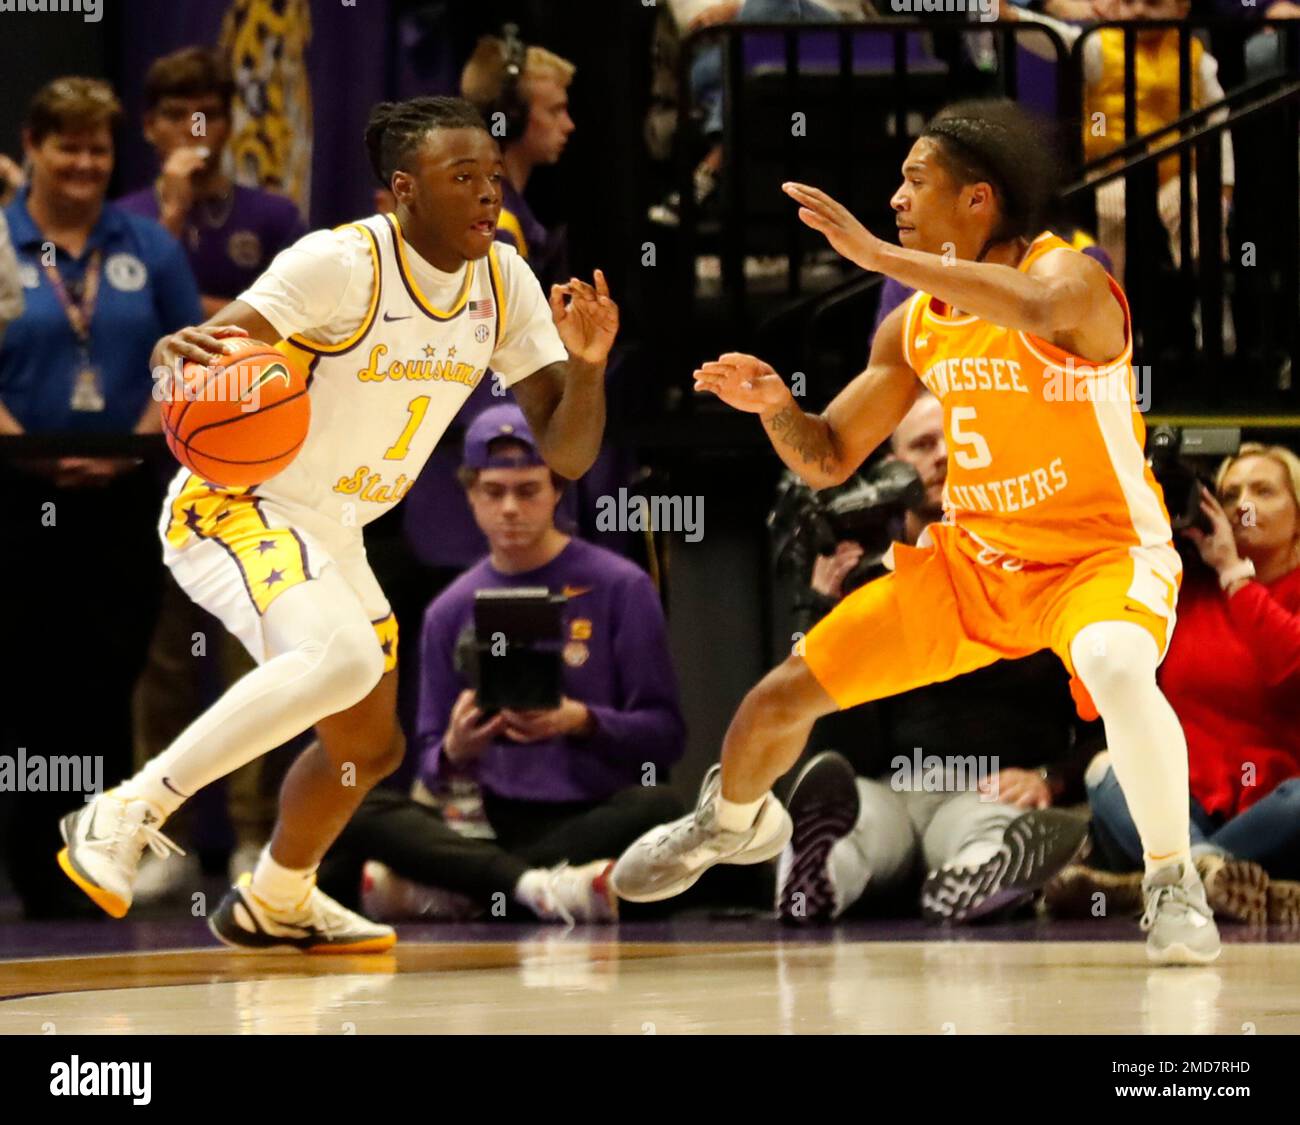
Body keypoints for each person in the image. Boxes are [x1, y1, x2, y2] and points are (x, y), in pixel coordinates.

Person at [614, 98, 1224, 964]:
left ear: (979, 200)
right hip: (973, 565)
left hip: (1098, 555)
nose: (895, 198)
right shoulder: (913, 326)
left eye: (914, 181)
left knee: (1117, 663)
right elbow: (826, 458)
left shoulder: (1076, 276)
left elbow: (1038, 310)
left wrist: (875, 255)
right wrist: (778, 409)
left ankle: (1172, 882)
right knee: (779, 697)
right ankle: (734, 822)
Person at [54, 96, 618, 953]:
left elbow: (568, 454)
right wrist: (177, 352)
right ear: (403, 191)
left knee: (368, 741)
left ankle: (277, 897)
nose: (486, 197)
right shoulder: (338, 264)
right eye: (461, 178)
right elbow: (211, 347)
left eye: (493, 179)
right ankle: (125, 809)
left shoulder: (505, 282)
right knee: (343, 655)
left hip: (335, 522)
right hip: (237, 501)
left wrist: (588, 368)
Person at [321, 404, 686, 924]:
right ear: (470, 495)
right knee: (357, 808)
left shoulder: (620, 586)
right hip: (484, 817)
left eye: (529, 490)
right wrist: (455, 747)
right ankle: (531, 887)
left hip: (593, 808)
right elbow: (426, 756)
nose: (510, 508)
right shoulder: (450, 609)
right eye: (494, 492)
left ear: (557, 490)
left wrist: (581, 721)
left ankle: (462, 891)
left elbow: (665, 736)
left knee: (663, 808)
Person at [777, 394, 1099, 925]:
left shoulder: (1043, 574)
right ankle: (815, 878)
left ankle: (980, 876)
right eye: (924, 444)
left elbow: (1105, 722)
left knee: (990, 831)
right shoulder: (860, 584)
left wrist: (1052, 776)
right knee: (850, 820)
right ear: (890, 471)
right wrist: (822, 616)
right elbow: (837, 746)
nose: (946, 455)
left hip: (987, 788)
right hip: (891, 788)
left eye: (961, 441)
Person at [0, 77, 202, 918]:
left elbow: (186, 352)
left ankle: (90, 868)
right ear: (34, 148)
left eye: (98, 148)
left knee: (107, 680)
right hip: (14, 498)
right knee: (26, 681)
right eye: (67, 146)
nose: (84, 163)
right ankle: (26, 866)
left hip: (125, 500)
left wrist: (138, 439)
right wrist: (34, 451)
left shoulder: (148, 245)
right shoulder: (1, 242)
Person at [117, 46, 313, 897]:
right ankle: (161, 832)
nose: (195, 129)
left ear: (229, 124)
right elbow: (128, 319)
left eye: (211, 112)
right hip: (149, 457)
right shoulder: (126, 218)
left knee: (254, 649)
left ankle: (249, 830)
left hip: (252, 465)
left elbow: (295, 324)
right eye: (176, 114)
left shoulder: (271, 217)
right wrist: (167, 216)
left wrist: (188, 317)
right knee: (158, 658)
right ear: (152, 127)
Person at [1050, 444, 1300, 926]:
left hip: (1277, 810)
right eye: (1229, 494)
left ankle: (1159, 885)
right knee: (1108, 769)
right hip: (1186, 805)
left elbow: (1290, 666)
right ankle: (1205, 871)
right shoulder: (1181, 589)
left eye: (1263, 491)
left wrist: (1235, 575)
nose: (1242, 505)